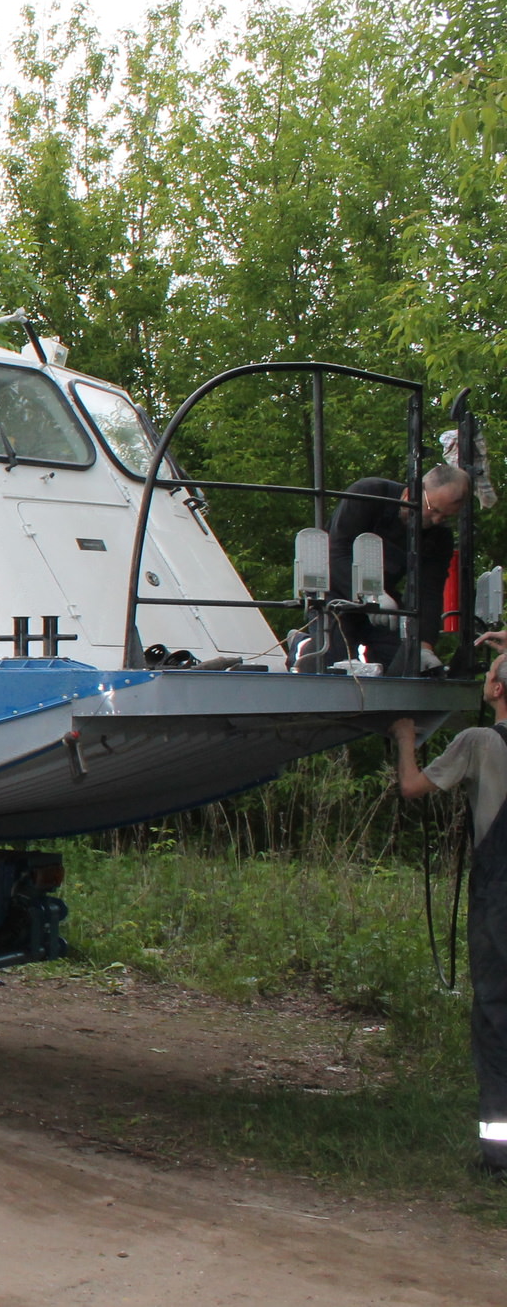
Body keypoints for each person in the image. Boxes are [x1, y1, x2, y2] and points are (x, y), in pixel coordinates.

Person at [392, 650, 507, 1182]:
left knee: (497, 1017)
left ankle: (500, 1155)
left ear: (496, 691)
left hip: (500, 897)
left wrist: (405, 738)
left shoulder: (480, 743)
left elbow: (413, 787)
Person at [329, 465, 470, 668]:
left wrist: (424, 646)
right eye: (434, 510)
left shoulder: (440, 536)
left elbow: (429, 591)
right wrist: (369, 593)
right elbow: (335, 552)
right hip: (337, 589)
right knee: (335, 656)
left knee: (403, 657)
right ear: (412, 493)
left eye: (445, 517)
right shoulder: (369, 493)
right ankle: (304, 644)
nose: (437, 520)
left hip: (386, 601)